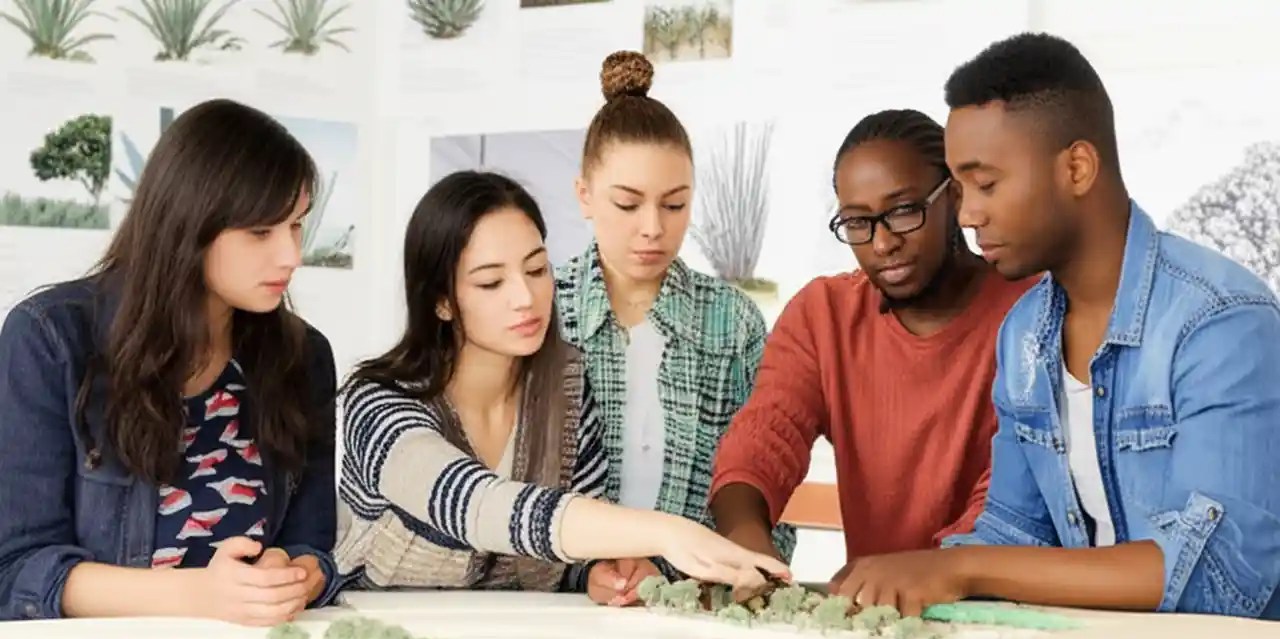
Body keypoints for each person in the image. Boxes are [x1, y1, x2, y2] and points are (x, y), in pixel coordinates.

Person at [834, 32, 1280, 620]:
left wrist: (959, 569)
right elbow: (1013, 531)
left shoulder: (1219, 323)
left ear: (1076, 167)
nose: (967, 215)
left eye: (987, 184)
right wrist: (910, 579)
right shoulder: (1024, 335)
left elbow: (1221, 578)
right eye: (961, 190)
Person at [332, 170, 790, 602]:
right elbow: (474, 503)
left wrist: (597, 574)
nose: (525, 298)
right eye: (492, 282)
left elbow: (559, 552)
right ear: (441, 302)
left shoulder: (566, 391)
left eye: (536, 270)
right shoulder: (377, 403)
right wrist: (667, 532)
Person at [0, 99, 341, 625]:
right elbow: (16, 569)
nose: (291, 256)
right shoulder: (49, 339)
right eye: (261, 233)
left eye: (296, 226)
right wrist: (198, 596)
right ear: (189, 225)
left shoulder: (305, 358)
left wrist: (288, 574)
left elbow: (310, 544)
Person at [708, 109, 1039, 591]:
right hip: (880, 617)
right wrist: (748, 539)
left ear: (956, 195)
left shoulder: (1033, 313)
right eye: (857, 222)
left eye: (904, 211)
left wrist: (930, 571)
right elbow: (762, 440)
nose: (882, 243)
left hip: (1005, 615)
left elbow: (1013, 493)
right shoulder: (824, 315)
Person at [555, 50, 795, 603]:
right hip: (561, 607)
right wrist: (580, 574)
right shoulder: (543, 307)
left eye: (675, 204)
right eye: (628, 203)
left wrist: (718, 575)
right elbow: (505, 490)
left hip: (698, 609)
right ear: (585, 196)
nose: (652, 229)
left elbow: (766, 490)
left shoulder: (732, 321)